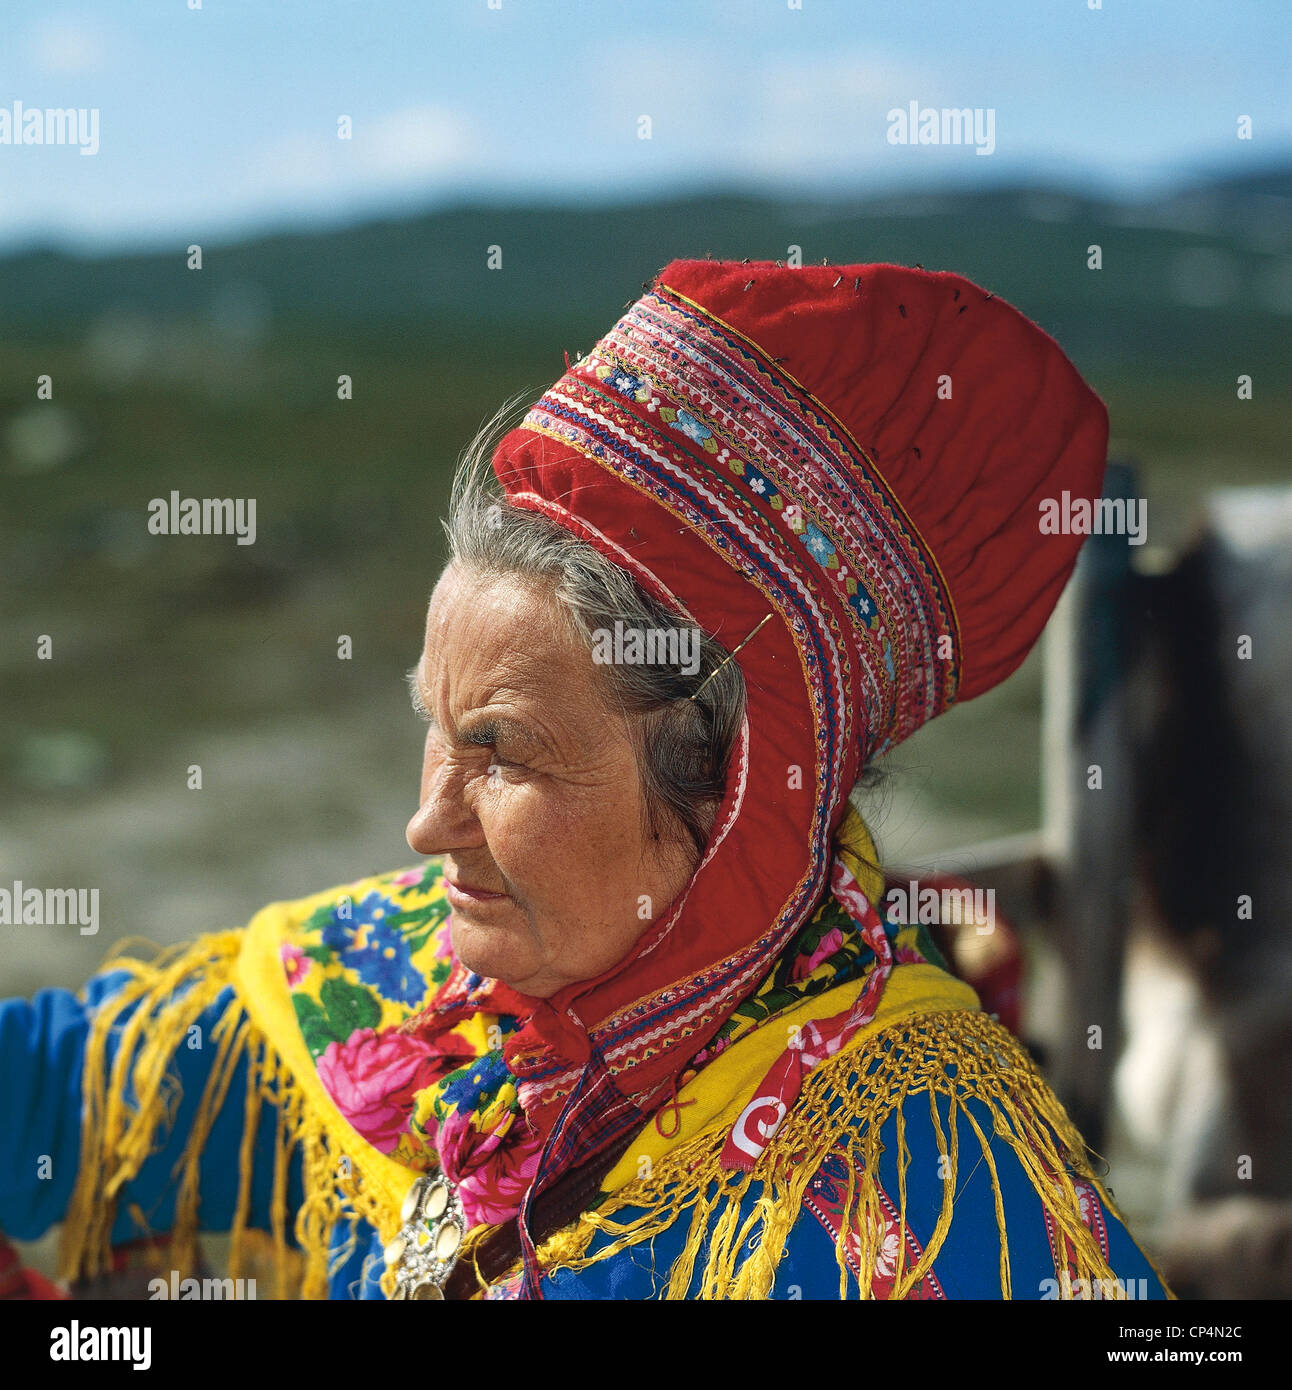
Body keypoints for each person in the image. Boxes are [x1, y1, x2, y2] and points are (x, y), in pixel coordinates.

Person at [0, 258, 1173, 1300]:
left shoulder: (933, 1205)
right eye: (434, 726)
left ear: (733, 800)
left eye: (501, 752)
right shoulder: (402, 987)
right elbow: (50, 1089)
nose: (423, 824)